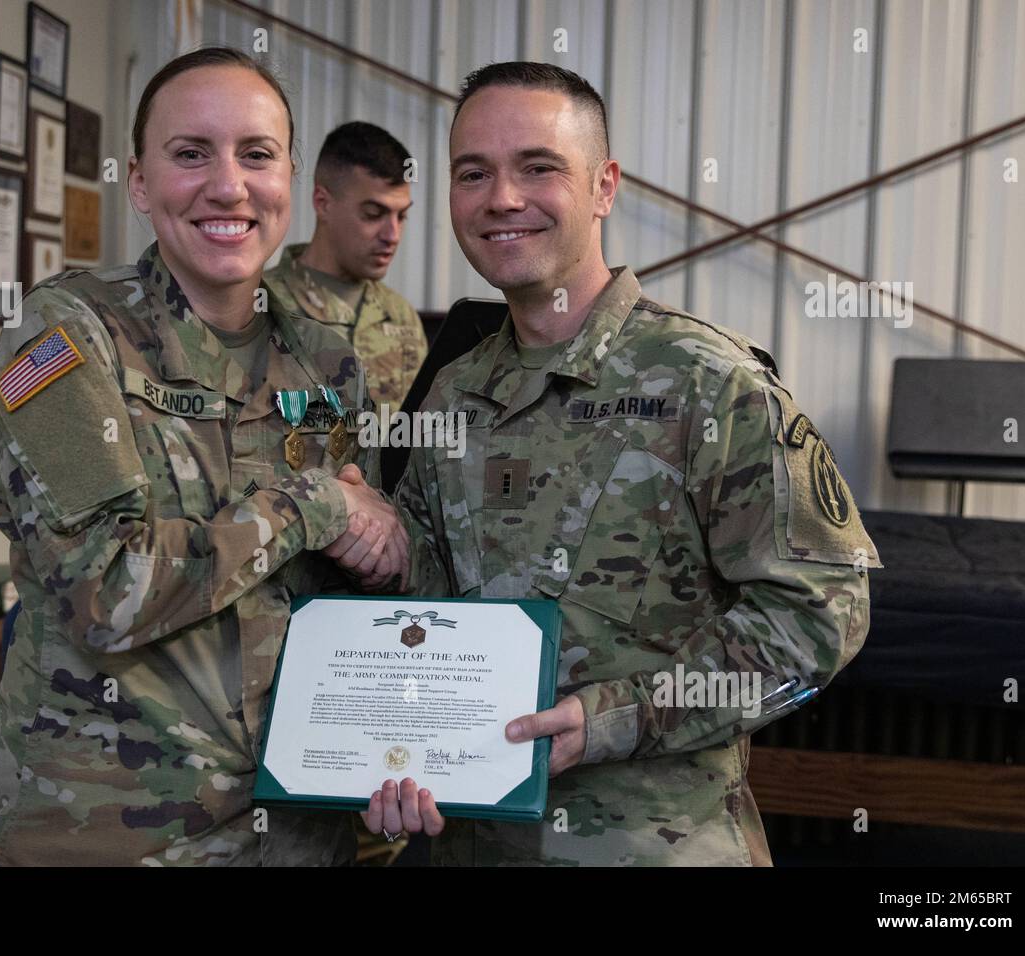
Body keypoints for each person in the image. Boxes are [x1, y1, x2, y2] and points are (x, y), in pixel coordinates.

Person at [345, 62, 880, 864]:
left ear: (604, 187)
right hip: (473, 842)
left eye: (538, 167)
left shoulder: (709, 383)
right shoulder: (454, 391)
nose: (502, 198)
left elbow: (822, 614)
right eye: (473, 173)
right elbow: (436, 596)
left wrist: (618, 717)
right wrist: (381, 549)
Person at [0, 48, 406, 866]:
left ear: (289, 181)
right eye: (191, 153)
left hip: (296, 834)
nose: (229, 186)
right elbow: (107, 589)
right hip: (102, 833)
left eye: (256, 154)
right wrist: (314, 506)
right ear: (139, 181)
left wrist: (388, 559)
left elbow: (351, 582)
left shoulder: (326, 362)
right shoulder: (61, 340)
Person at [263, 121, 428, 414]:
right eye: (373, 214)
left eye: (401, 216)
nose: (392, 235)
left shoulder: (401, 318)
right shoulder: (261, 308)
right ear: (323, 203)